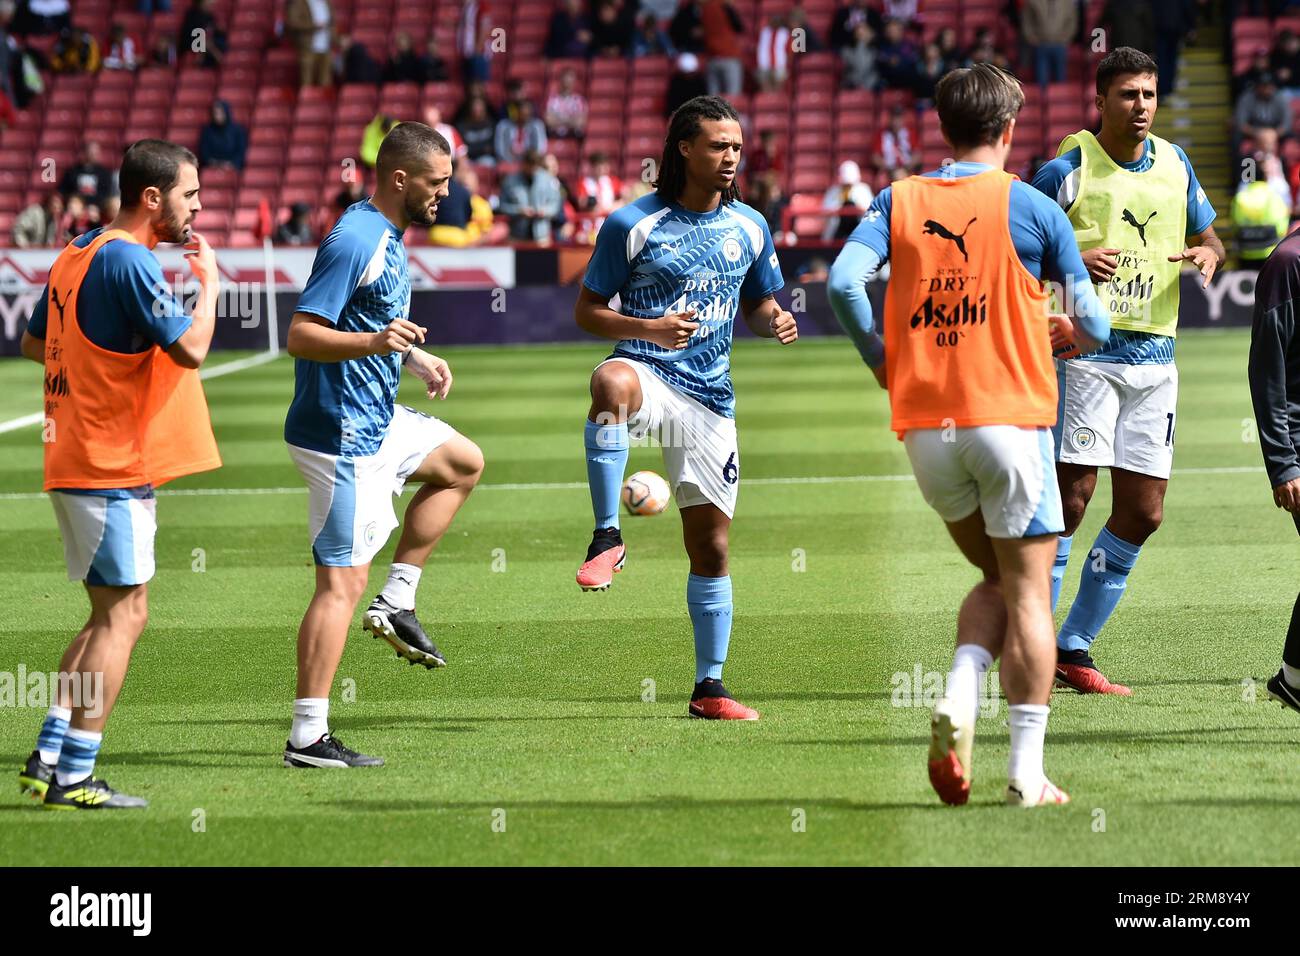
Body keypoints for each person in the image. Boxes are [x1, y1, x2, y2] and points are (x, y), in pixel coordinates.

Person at [826, 63, 1111, 808]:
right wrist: (1063, 329)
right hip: (1010, 420)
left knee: (995, 578)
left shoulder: (897, 198)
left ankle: (958, 694)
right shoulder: (1033, 206)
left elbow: (840, 283)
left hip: (928, 428)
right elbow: (1100, 326)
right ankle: (1024, 772)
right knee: (1028, 597)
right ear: (1010, 130)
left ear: (942, 128)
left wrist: (884, 363)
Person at [573, 95, 797, 720]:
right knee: (609, 384)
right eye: (718, 146)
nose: (731, 156)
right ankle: (605, 537)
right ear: (684, 150)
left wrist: (774, 318)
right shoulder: (631, 224)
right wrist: (647, 328)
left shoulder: (751, 225)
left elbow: (758, 304)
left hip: (710, 398)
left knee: (712, 548)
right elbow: (587, 311)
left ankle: (710, 689)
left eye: (735, 146)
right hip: (649, 372)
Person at [15, 139, 221, 809]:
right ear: (153, 197)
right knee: (124, 617)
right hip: (107, 466)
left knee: (107, 613)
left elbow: (30, 341)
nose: (198, 207)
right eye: (190, 195)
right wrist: (211, 285)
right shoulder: (131, 261)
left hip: (73, 457)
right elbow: (190, 349)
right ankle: (76, 775)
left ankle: (49, 754)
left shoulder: (76, 252)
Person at [282, 123, 484, 768]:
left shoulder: (387, 234)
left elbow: (368, 323)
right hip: (341, 435)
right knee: (339, 586)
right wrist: (376, 346)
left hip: (376, 416)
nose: (446, 195)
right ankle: (307, 739)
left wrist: (413, 356)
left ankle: (398, 601)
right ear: (400, 178)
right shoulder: (358, 238)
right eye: (437, 182)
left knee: (462, 463)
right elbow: (303, 333)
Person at [1030, 46, 1222, 693]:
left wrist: (1207, 252)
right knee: (1071, 499)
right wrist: (1075, 257)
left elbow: (1211, 234)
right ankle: (1030, 644)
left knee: (1143, 512)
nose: (1141, 106)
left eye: (1149, 94)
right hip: (1084, 354)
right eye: (1128, 95)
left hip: (1157, 360)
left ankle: (1072, 649)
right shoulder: (1068, 168)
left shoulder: (1176, 163)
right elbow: (1012, 247)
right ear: (1101, 101)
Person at [1247, 224, 1300, 716]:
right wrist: (1283, 463)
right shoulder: (1287, 263)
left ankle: (1292, 680)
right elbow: (1266, 369)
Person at [499, 149, 563, 241]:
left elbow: (555, 205)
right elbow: (502, 206)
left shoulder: (547, 179)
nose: (532, 170)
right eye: (530, 166)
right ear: (524, 164)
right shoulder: (510, 181)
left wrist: (544, 211)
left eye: (535, 167)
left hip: (541, 236)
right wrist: (519, 211)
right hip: (517, 236)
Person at [821, 159, 873, 240]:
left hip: (859, 232)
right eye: (845, 184)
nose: (847, 186)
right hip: (836, 233)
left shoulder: (863, 189)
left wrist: (855, 208)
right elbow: (825, 211)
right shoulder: (833, 191)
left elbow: (870, 212)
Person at [286, 0, 333, 87]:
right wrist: (313, 26)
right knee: (306, 82)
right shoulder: (298, 3)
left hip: (325, 47)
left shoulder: (326, 3)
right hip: (307, 48)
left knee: (325, 83)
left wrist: (338, 40)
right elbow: (292, 23)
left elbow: (331, 23)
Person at [59, 141, 115, 208]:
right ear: (85, 153)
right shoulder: (72, 172)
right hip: (77, 205)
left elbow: (106, 194)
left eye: (96, 153)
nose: (94, 155)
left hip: (98, 206)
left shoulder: (104, 173)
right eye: (91, 153)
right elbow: (64, 191)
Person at [197, 99, 247, 171]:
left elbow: (240, 152)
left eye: (220, 113)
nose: (217, 116)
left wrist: (231, 164)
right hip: (212, 167)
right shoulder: (207, 131)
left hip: (232, 167)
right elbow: (204, 152)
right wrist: (213, 163)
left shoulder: (237, 130)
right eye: (215, 113)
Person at [494, 99, 547, 164]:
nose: (524, 116)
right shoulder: (503, 126)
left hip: (530, 164)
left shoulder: (537, 125)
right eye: (521, 113)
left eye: (527, 113)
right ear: (515, 112)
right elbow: (500, 150)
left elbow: (540, 149)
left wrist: (528, 161)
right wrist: (512, 161)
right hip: (508, 163)